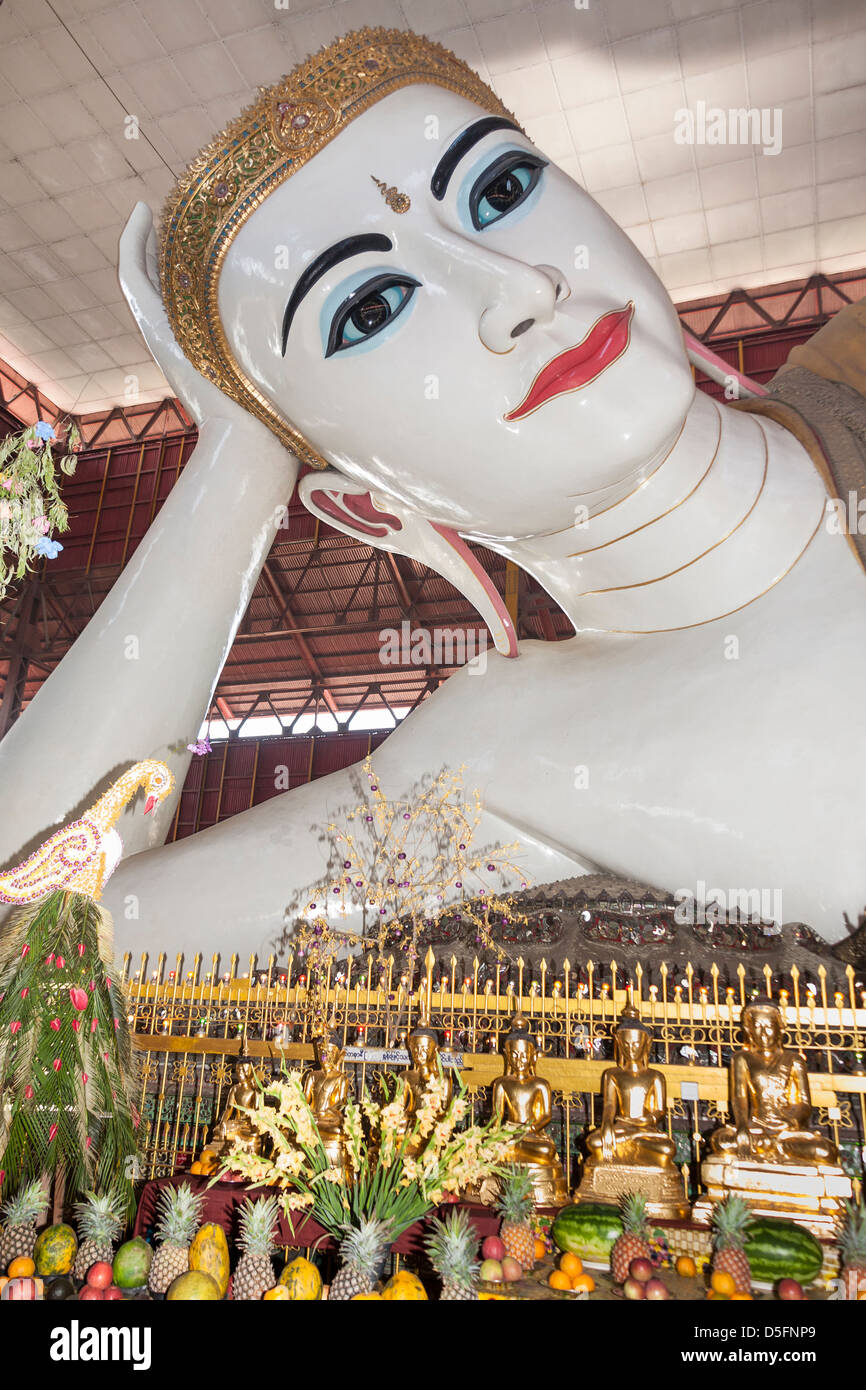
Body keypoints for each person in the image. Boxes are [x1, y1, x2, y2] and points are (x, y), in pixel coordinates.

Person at [2, 28, 863, 960]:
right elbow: (38, 945)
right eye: (369, 309)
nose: (519, 289)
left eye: (500, 190)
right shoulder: (496, 760)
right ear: (366, 507)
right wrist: (239, 466)